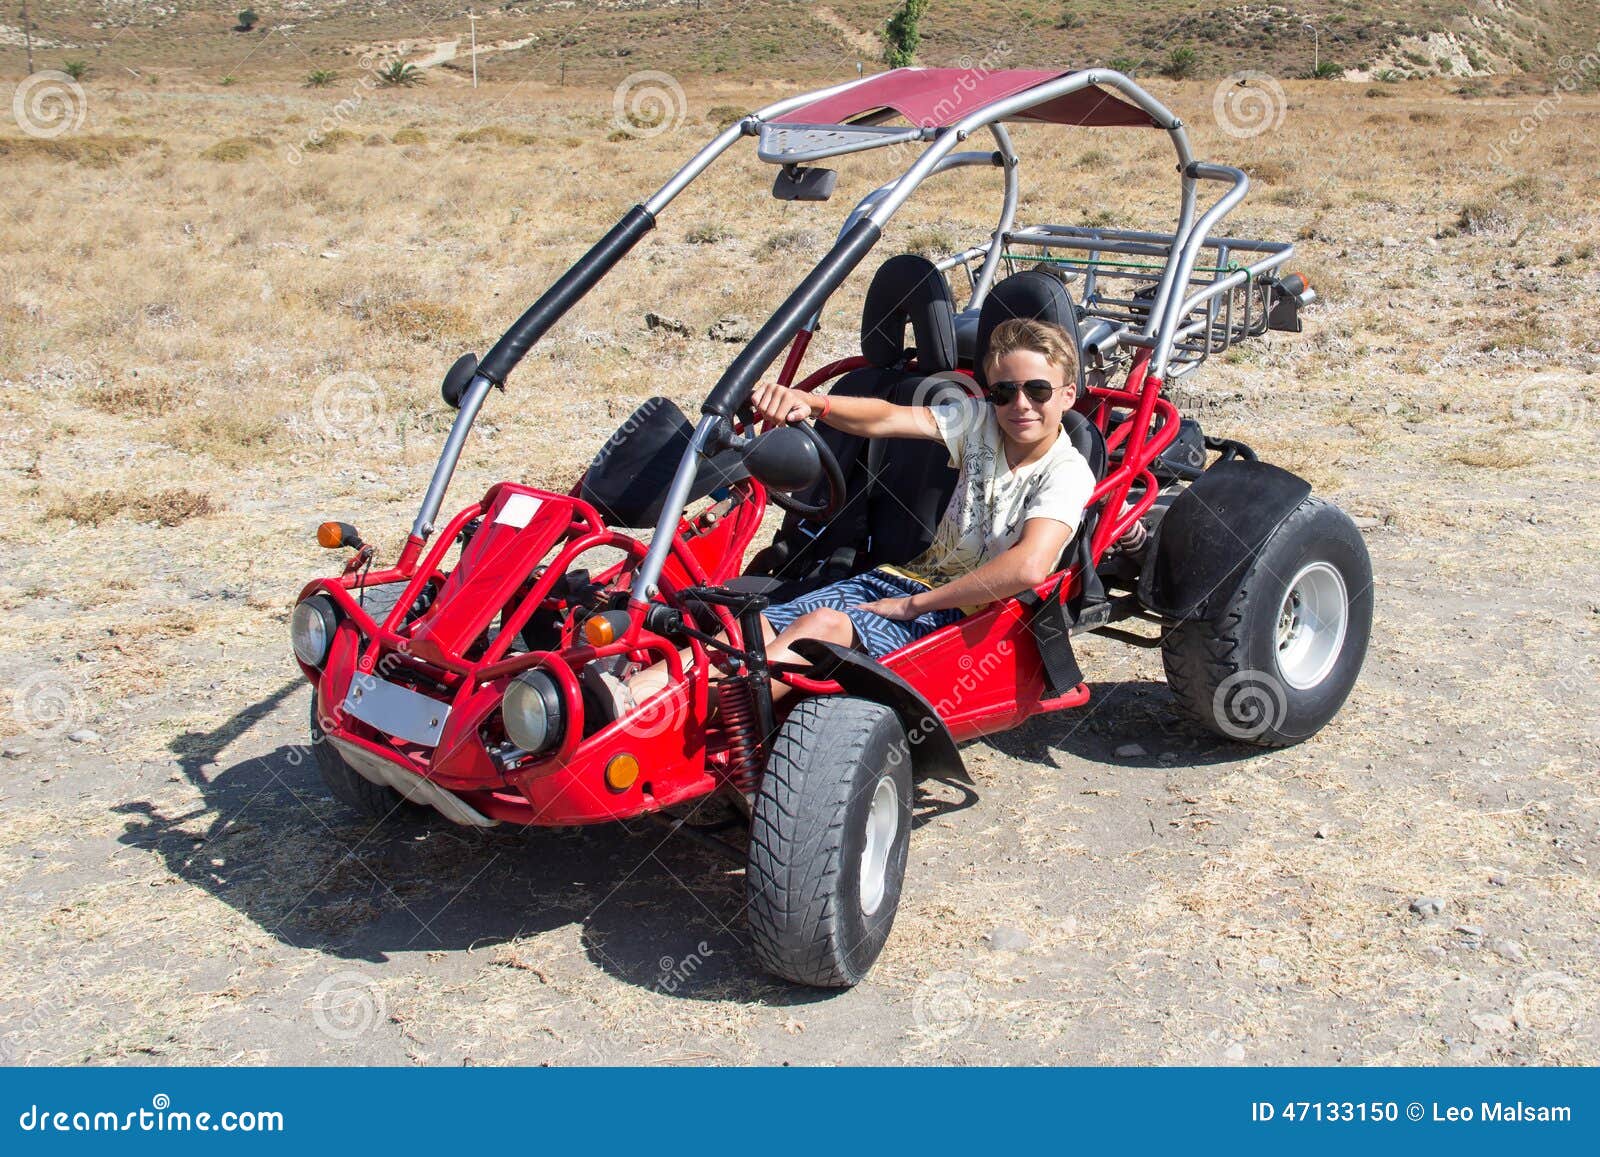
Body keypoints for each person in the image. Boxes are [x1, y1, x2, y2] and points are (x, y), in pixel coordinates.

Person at [593, 317, 1096, 715]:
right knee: (756, 626)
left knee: (824, 626)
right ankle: (630, 697)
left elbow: (1030, 567)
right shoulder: (981, 422)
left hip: (970, 613)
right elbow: (888, 417)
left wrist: (915, 605)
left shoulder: (1066, 473)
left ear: (1068, 395)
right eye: (1005, 391)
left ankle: (677, 722)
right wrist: (812, 402)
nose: (1020, 405)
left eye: (1038, 391)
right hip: (905, 580)